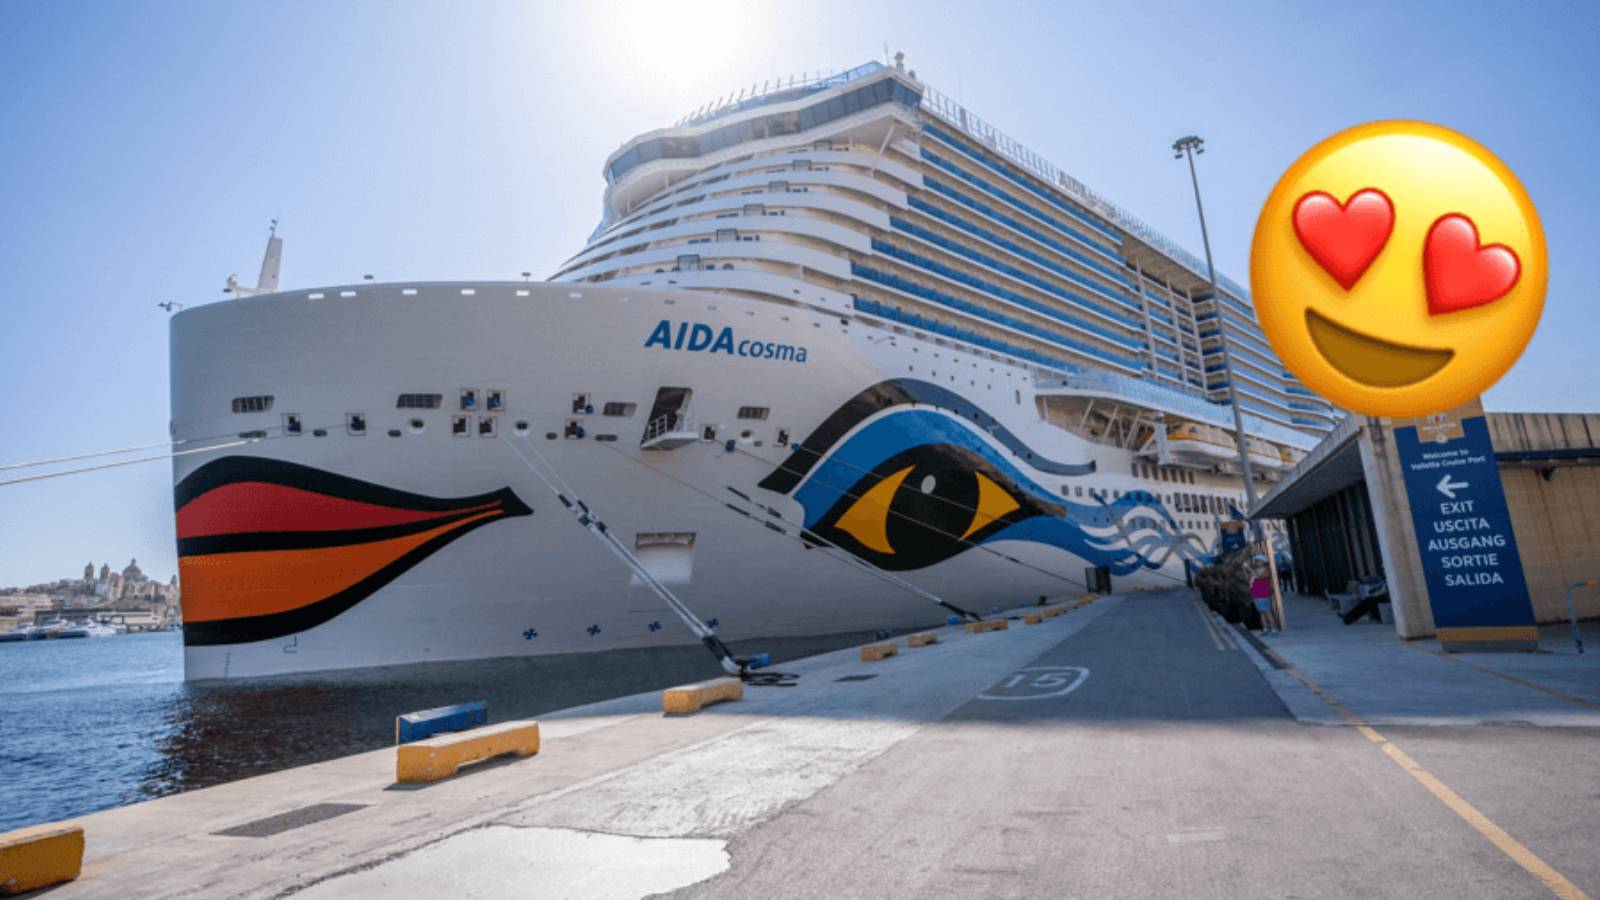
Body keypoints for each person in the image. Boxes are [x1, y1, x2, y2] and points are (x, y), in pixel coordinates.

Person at [1249, 559, 1277, 634]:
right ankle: (1265, 628)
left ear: (1263, 562)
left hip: (1263, 594)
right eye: (1256, 560)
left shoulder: (1265, 570)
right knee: (1261, 612)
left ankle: (1274, 628)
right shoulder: (1256, 570)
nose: (1256, 562)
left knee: (1267, 611)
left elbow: (1259, 576)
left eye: (1258, 561)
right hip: (1256, 594)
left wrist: (1249, 568)